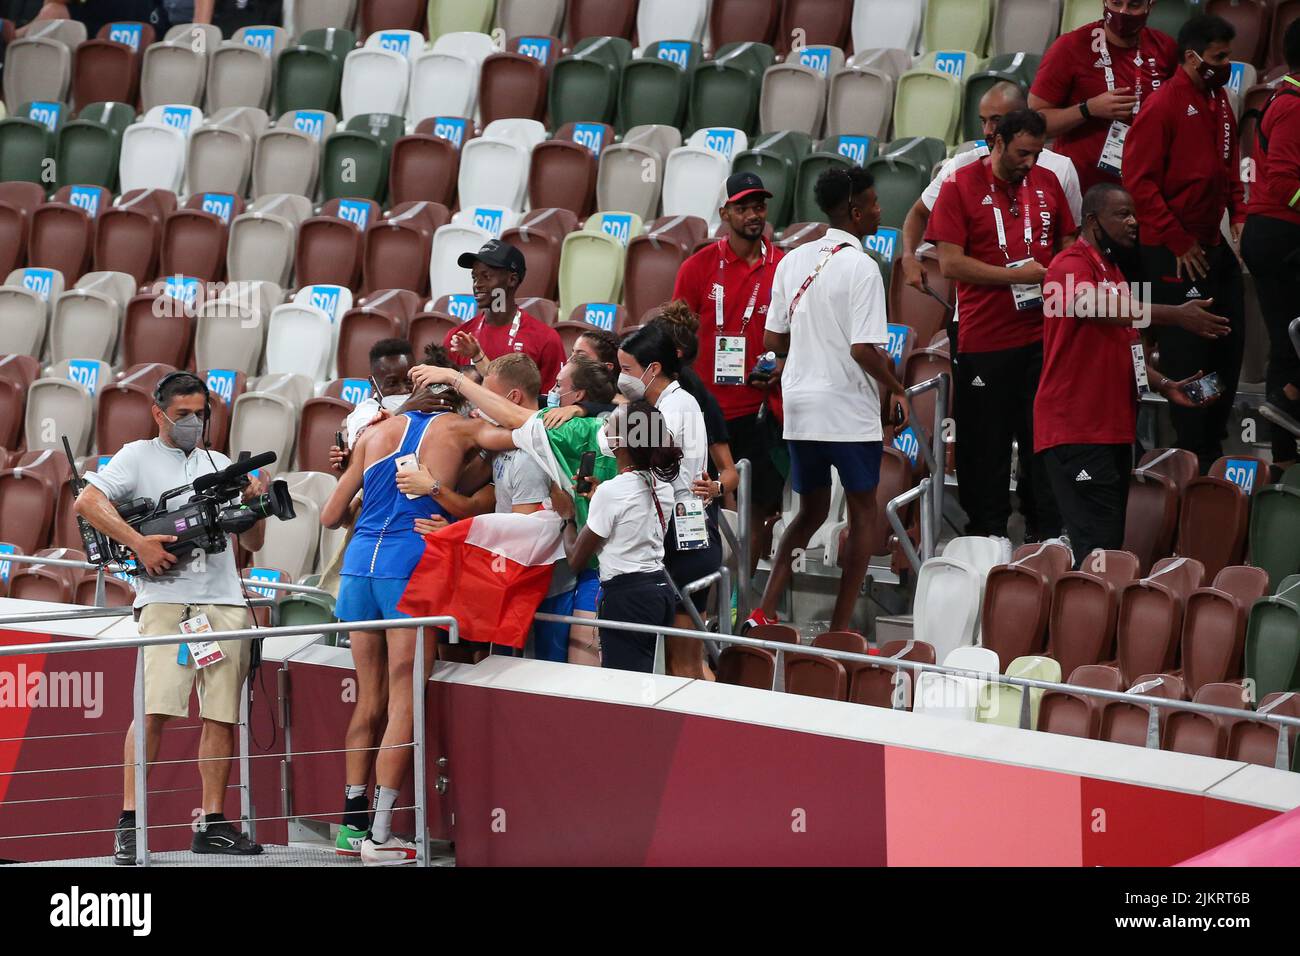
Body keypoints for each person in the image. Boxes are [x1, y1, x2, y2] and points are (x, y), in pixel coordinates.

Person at [74, 371, 268, 864]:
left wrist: (254, 503)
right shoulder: (136, 455)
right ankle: (130, 822)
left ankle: (213, 822)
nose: (192, 422)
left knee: (222, 713)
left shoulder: (221, 463)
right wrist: (138, 542)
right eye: (182, 414)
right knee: (154, 710)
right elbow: (87, 500)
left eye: (200, 413)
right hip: (165, 597)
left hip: (223, 597)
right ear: (159, 413)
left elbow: (255, 544)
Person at [320, 347, 486, 865]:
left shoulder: (372, 434)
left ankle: (351, 825)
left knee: (369, 700)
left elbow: (328, 516)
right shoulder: (458, 432)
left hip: (356, 572)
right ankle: (382, 835)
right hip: (406, 570)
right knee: (404, 701)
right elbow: (523, 431)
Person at [749, 167, 910, 634]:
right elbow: (864, 350)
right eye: (875, 203)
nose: (881, 210)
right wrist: (896, 387)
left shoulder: (791, 261)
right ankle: (841, 628)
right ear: (856, 212)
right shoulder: (863, 267)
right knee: (864, 516)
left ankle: (766, 609)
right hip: (846, 412)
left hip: (800, 410)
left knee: (811, 511)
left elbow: (773, 339)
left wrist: (810, 345)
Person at [1036, 183, 1229, 564]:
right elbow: (1093, 306)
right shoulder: (1068, 264)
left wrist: (1164, 384)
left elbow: (1130, 347)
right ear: (1092, 221)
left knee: (1105, 548)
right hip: (1075, 429)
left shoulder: (1114, 272)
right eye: (1122, 214)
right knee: (1098, 550)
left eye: (1134, 214)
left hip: (1111, 429)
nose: (1133, 222)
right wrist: (1176, 315)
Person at [410, 354, 621, 666]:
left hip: (541, 584)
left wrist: (455, 535)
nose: (553, 394)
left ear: (512, 399)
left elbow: (522, 530)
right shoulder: (508, 442)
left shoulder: (537, 446)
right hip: (513, 577)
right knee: (499, 666)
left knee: (540, 677)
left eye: (560, 386)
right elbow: (470, 491)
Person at [926, 109, 1077, 544]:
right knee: (985, 448)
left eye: (1037, 153)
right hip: (985, 340)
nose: (1030, 162)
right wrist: (1018, 276)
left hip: (1041, 337)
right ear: (998, 141)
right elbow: (950, 263)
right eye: (1022, 153)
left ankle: (1044, 534)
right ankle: (984, 537)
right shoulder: (959, 186)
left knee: (1041, 443)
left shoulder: (1047, 183)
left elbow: (1068, 239)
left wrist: (1060, 269)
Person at [1124, 14, 1245, 474]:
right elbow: (1139, 183)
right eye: (1219, 57)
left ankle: (1210, 440)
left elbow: (1229, 168)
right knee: (1189, 355)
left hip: (1212, 247)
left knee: (1227, 346)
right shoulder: (1162, 106)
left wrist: (1241, 216)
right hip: (1172, 253)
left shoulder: (1219, 102)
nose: (1227, 65)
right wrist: (1177, 240)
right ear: (1192, 58)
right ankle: (1191, 451)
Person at [672, 172, 786, 559]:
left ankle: (740, 597)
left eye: (759, 206)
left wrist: (783, 365)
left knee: (758, 510)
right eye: (743, 208)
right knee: (699, 504)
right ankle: (707, 592)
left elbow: (800, 334)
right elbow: (678, 337)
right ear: (725, 213)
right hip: (705, 413)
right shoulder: (698, 267)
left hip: (759, 412)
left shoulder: (783, 268)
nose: (753, 214)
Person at [901, 82, 1083, 296]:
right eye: (983, 121)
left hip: (1042, 309)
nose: (987, 130)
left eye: (996, 120)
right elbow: (920, 213)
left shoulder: (1059, 170)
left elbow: (1069, 238)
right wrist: (908, 255)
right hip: (980, 313)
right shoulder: (959, 170)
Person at [615, 323, 723, 672]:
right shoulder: (669, 403)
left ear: (653, 369)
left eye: (627, 370)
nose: (621, 377)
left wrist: (605, 411)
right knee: (685, 661)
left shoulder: (676, 407)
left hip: (686, 537)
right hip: (684, 532)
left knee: (684, 663)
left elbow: (617, 441)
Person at [549, 401, 681, 673]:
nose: (605, 427)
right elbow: (630, 523)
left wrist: (568, 516)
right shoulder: (662, 487)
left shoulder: (613, 491)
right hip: (658, 592)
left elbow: (575, 558)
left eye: (610, 424)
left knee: (624, 687)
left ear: (621, 442)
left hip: (627, 599)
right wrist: (599, 498)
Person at [1028, 0, 1179, 194]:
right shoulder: (1070, 47)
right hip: (1083, 187)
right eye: (1116, 3)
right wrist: (1088, 109)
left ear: (1150, 5)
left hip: (1145, 184)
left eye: (1133, 5)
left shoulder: (1165, 48)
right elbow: (1035, 123)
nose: (1123, 12)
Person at [1242, 19, 1300, 473]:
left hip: (1277, 234)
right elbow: (1283, 180)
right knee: (1289, 341)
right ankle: (1289, 403)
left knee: (1287, 342)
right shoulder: (1295, 107)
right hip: (1283, 236)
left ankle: (1283, 455)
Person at [442, 239, 565, 393]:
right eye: (474, 277)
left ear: (512, 280)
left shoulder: (546, 340)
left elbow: (552, 404)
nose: (477, 285)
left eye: (486, 276)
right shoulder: (457, 337)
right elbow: (440, 393)